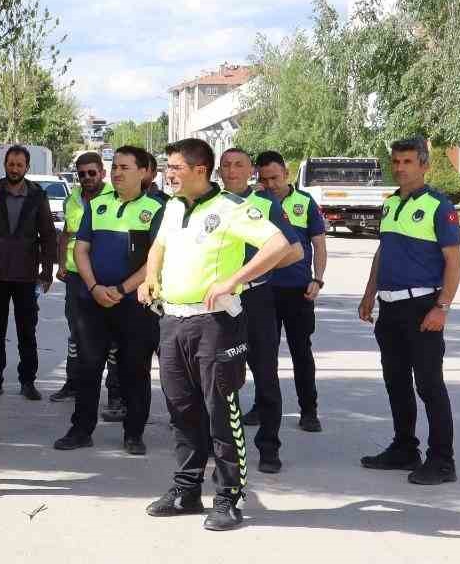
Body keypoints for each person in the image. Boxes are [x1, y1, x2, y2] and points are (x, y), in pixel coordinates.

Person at [136, 138, 299, 531]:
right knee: (181, 408)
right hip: (173, 321)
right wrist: (151, 276)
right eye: (167, 166)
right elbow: (158, 245)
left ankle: (229, 495)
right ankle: (187, 489)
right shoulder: (173, 208)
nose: (167, 173)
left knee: (220, 408)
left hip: (215, 324)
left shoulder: (231, 208)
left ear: (198, 170)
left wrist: (233, 279)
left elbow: (280, 245)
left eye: (174, 167)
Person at [357, 137, 460, 486]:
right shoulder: (389, 205)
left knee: (430, 385)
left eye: (407, 162)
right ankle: (404, 448)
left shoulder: (438, 205)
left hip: (423, 308)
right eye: (396, 162)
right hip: (390, 308)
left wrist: (441, 307)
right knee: (396, 382)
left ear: (424, 165)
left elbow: (454, 262)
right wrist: (369, 295)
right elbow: (381, 253)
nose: (400, 167)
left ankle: (442, 460)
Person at [58, 146, 163, 455]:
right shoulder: (98, 205)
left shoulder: (157, 209)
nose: (117, 172)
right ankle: (81, 429)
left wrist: (121, 290)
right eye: (114, 166)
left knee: (134, 369)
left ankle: (134, 433)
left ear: (143, 172)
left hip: (134, 304)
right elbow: (81, 249)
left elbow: (156, 260)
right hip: (94, 301)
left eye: (125, 167)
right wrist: (93, 288)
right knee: (87, 367)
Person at [217, 146, 299, 474]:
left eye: (239, 165)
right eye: (226, 165)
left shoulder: (266, 204)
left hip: (257, 297)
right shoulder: (212, 204)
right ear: (219, 171)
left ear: (250, 170)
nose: (232, 170)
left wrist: (250, 271)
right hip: (221, 301)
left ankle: (269, 447)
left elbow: (293, 252)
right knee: (220, 377)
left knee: (265, 374)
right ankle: (224, 447)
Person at [256, 150, 327, 433]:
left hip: (298, 290)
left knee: (301, 352)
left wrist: (317, 279)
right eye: (265, 179)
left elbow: (319, 245)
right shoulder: (256, 203)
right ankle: (262, 406)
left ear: (286, 173)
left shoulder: (305, 202)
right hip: (263, 291)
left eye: (275, 177)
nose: (271, 184)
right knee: (263, 355)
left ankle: (308, 410)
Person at [0, 145, 57, 399]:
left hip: (26, 275)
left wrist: (47, 271)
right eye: (11, 164)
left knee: (26, 332)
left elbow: (48, 234)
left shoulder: (37, 195)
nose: (15, 169)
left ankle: (27, 381)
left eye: (19, 165)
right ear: (5, 165)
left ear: (27, 167)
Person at [50, 152, 106, 404]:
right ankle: (72, 382)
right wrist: (61, 264)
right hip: (75, 276)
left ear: (102, 173)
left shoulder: (113, 198)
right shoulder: (72, 199)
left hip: (103, 275)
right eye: (82, 174)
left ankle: (114, 393)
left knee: (110, 336)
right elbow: (66, 235)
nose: (86, 178)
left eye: (91, 173)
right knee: (75, 332)